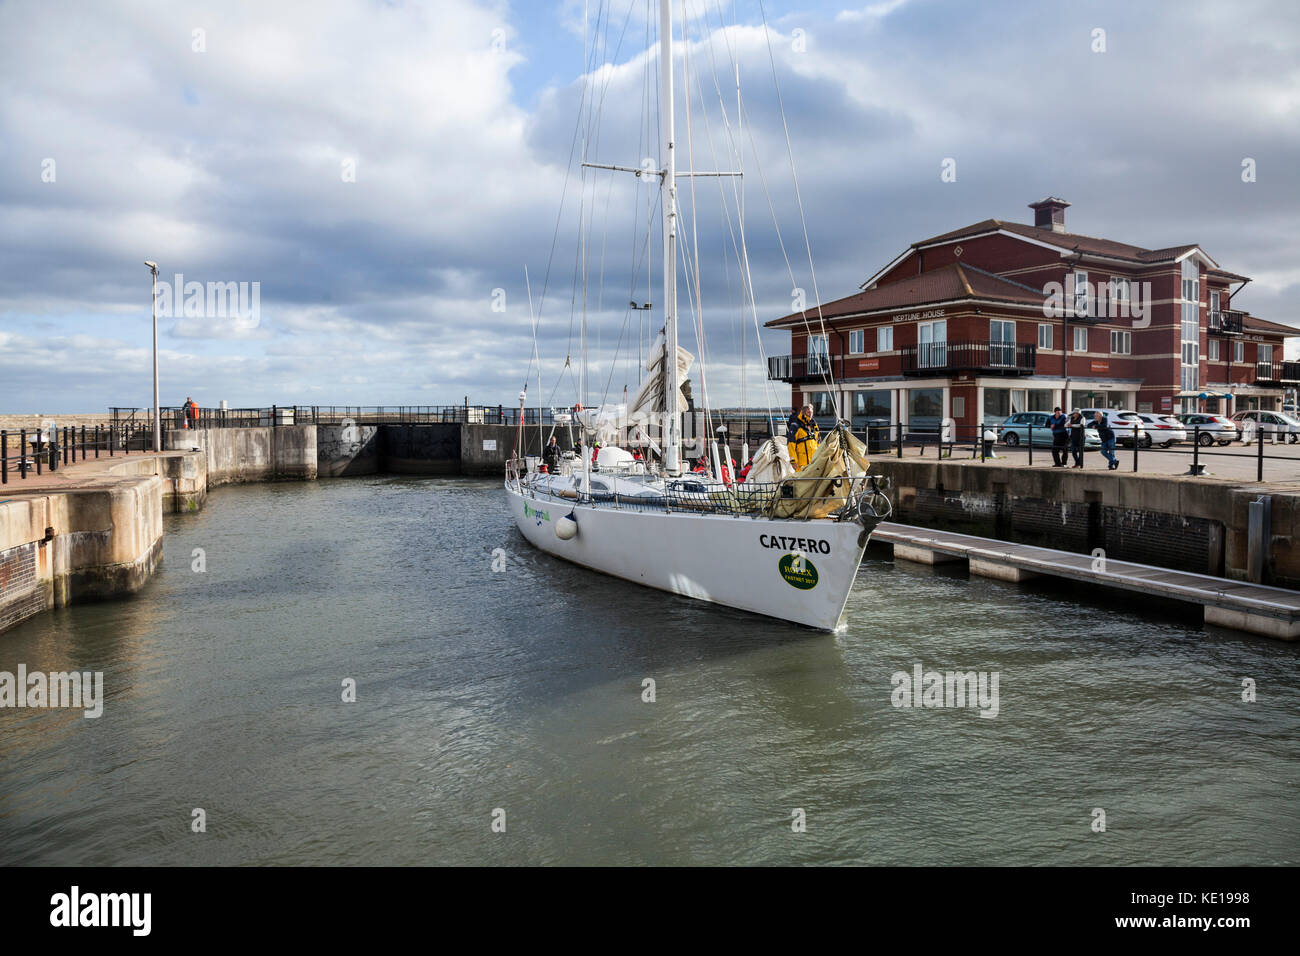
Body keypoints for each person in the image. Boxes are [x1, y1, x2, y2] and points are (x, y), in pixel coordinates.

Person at [788, 404, 820, 470]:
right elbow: (791, 444)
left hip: (814, 463)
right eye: (808, 412)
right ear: (803, 412)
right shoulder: (795, 426)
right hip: (801, 464)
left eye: (811, 412)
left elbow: (818, 443)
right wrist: (793, 461)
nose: (810, 414)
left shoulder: (814, 426)